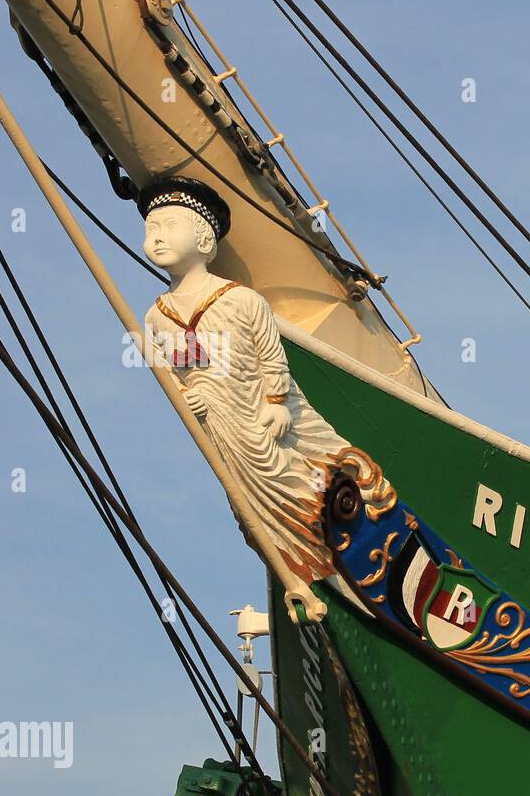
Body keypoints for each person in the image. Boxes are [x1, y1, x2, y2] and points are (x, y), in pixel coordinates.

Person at [139, 176, 389, 583]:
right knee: (247, 500)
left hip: (258, 417)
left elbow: (270, 354)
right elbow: (178, 371)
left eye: (169, 227)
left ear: (204, 240)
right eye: (151, 230)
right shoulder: (155, 319)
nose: (157, 237)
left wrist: (275, 401)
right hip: (220, 426)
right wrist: (187, 395)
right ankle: (295, 558)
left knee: (287, 475)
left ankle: (328, 543)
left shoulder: (240, 299)